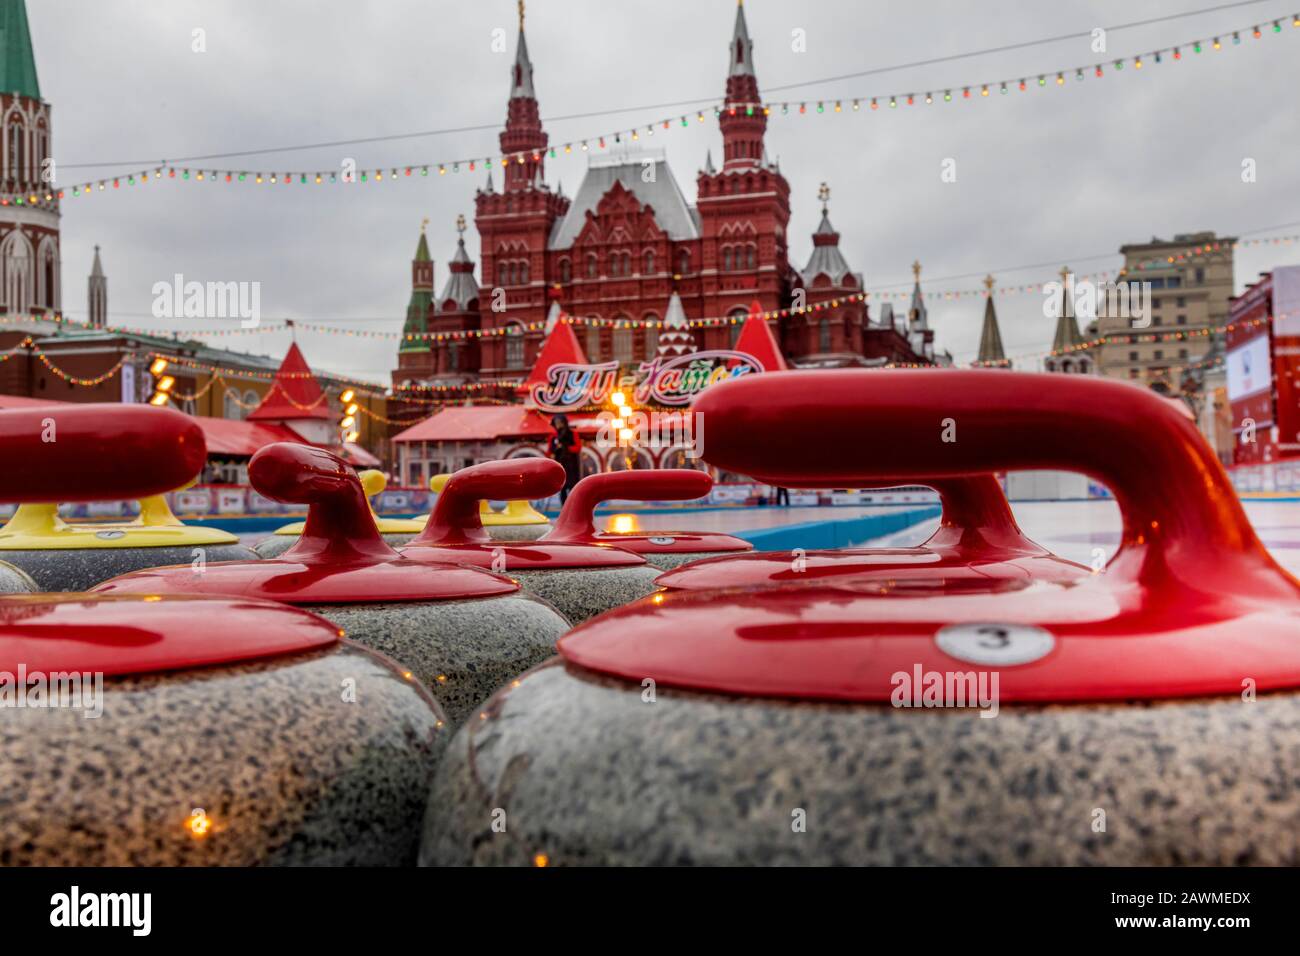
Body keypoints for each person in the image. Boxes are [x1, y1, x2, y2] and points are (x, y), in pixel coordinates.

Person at [547, 414, 582, 503]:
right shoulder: (553, 437)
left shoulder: (573, 433)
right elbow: (549, 452)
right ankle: (564, 508)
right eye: (556, 423)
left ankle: (574, 505)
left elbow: (578, 447)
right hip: (560, 466)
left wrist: (565, 447)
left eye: (560, 422)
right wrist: (554, 451)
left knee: (573, 488)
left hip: (572, 466)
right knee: (562, 488)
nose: (558, 424)